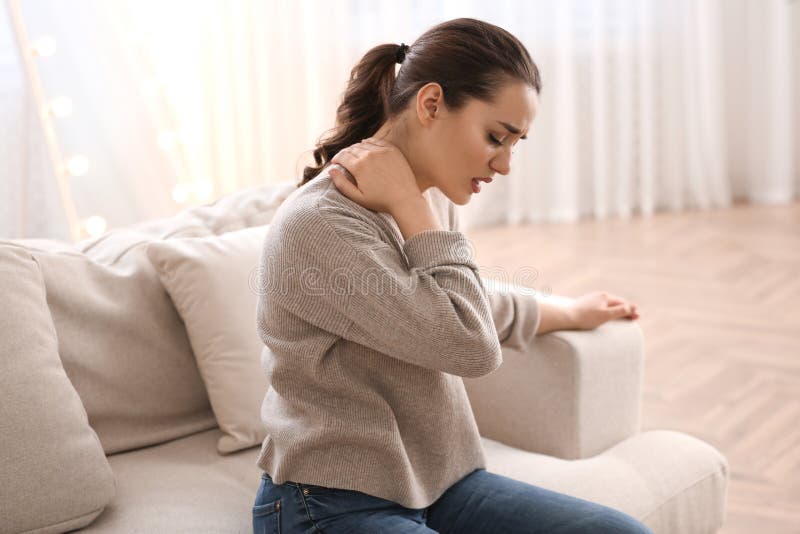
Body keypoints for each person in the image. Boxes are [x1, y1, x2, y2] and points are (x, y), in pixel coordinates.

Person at [252, 17, 649, 534]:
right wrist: (408, 204)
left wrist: (566, 312)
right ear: (432, 104)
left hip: (440, 484)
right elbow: (469, 347)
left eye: (515, 144)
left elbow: (452, 304)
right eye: (496, 137)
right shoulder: (320, 225)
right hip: (327, 504)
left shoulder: (430, 195)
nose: (504, 165)